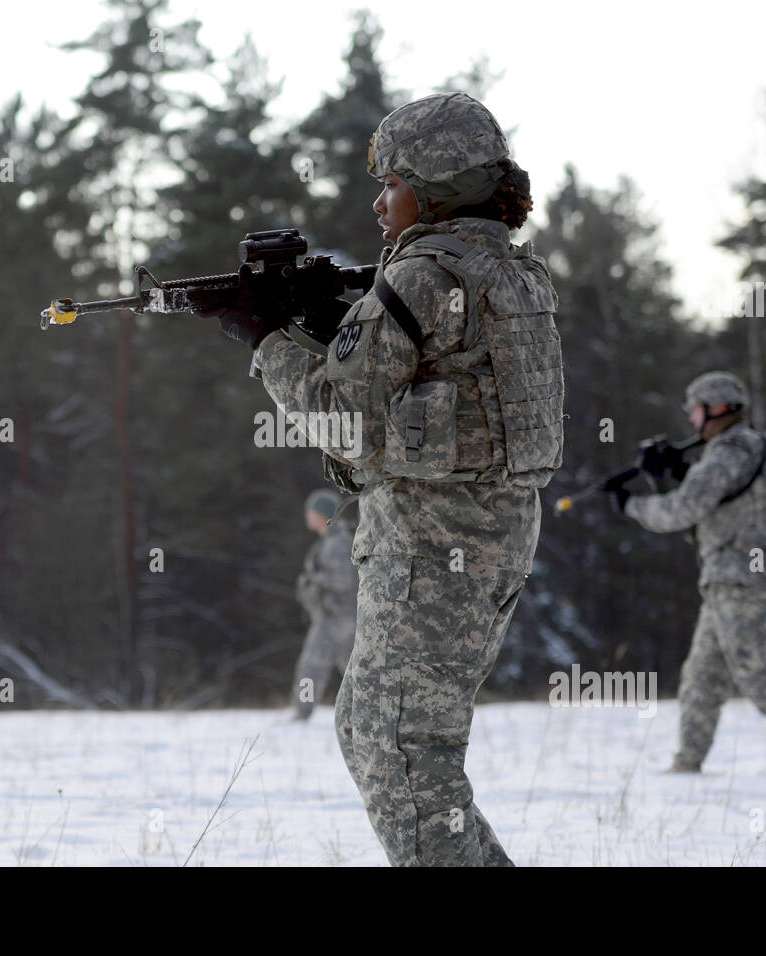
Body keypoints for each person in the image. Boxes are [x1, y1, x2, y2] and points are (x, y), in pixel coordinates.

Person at [203, 92, 563, 865]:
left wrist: (265, 337)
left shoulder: (424, 275)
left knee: (405, 757)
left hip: (436, 544)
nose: (378, 202)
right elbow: (432, 376)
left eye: (392, 183)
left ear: (436, 187)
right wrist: (340, 323)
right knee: (370, 729)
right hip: (476, 532)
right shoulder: (505, 267)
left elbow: (339, 416)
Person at [614, 371, 766, 772]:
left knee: (758, 672)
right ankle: (687, 764)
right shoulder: (763, 446)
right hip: (735, 576)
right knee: (701, 676)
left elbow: (683, 511)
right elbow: (730, 506)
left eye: (696, 412)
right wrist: (677, 475)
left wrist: (633, 506)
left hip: (739, 575)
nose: (692, 422)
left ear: (715, 409)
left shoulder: (729, 451)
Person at [291, 489, 359, 720]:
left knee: (311, 669)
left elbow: (343, 580)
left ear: (323, 514)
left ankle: (302, 714)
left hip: (336, 619)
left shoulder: (337, 543)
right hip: (338, 618)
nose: (307, 515)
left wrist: (314, 581)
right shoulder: (332, 540)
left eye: (312, 511)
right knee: (355, 671)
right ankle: (370, 712)